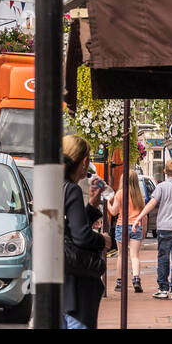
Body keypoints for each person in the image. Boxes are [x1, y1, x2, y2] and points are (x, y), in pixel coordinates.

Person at [133, 158, 172, 300]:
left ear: (165, 172)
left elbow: (152, 203)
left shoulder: (161, 187)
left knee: (163, 257)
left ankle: (163, 289)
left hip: (164, 228)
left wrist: (139, 217)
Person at [63, 134, 107, 328]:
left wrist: (90, 207)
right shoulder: (71, 189)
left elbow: (69, 227)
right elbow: (81, 236)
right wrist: (104, 241)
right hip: (74, 284)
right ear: (83, 161)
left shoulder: (51, 185)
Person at [107, 170, 145, 293]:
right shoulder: (139, 195)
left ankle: (120, 282)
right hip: (136, 225)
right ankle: (136, 279)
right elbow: (144, 216)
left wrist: (108, 202)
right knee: (135, 256)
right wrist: (143, 230)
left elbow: (113, 212)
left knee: (121, 255)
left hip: (121, 226)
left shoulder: (120, 193)